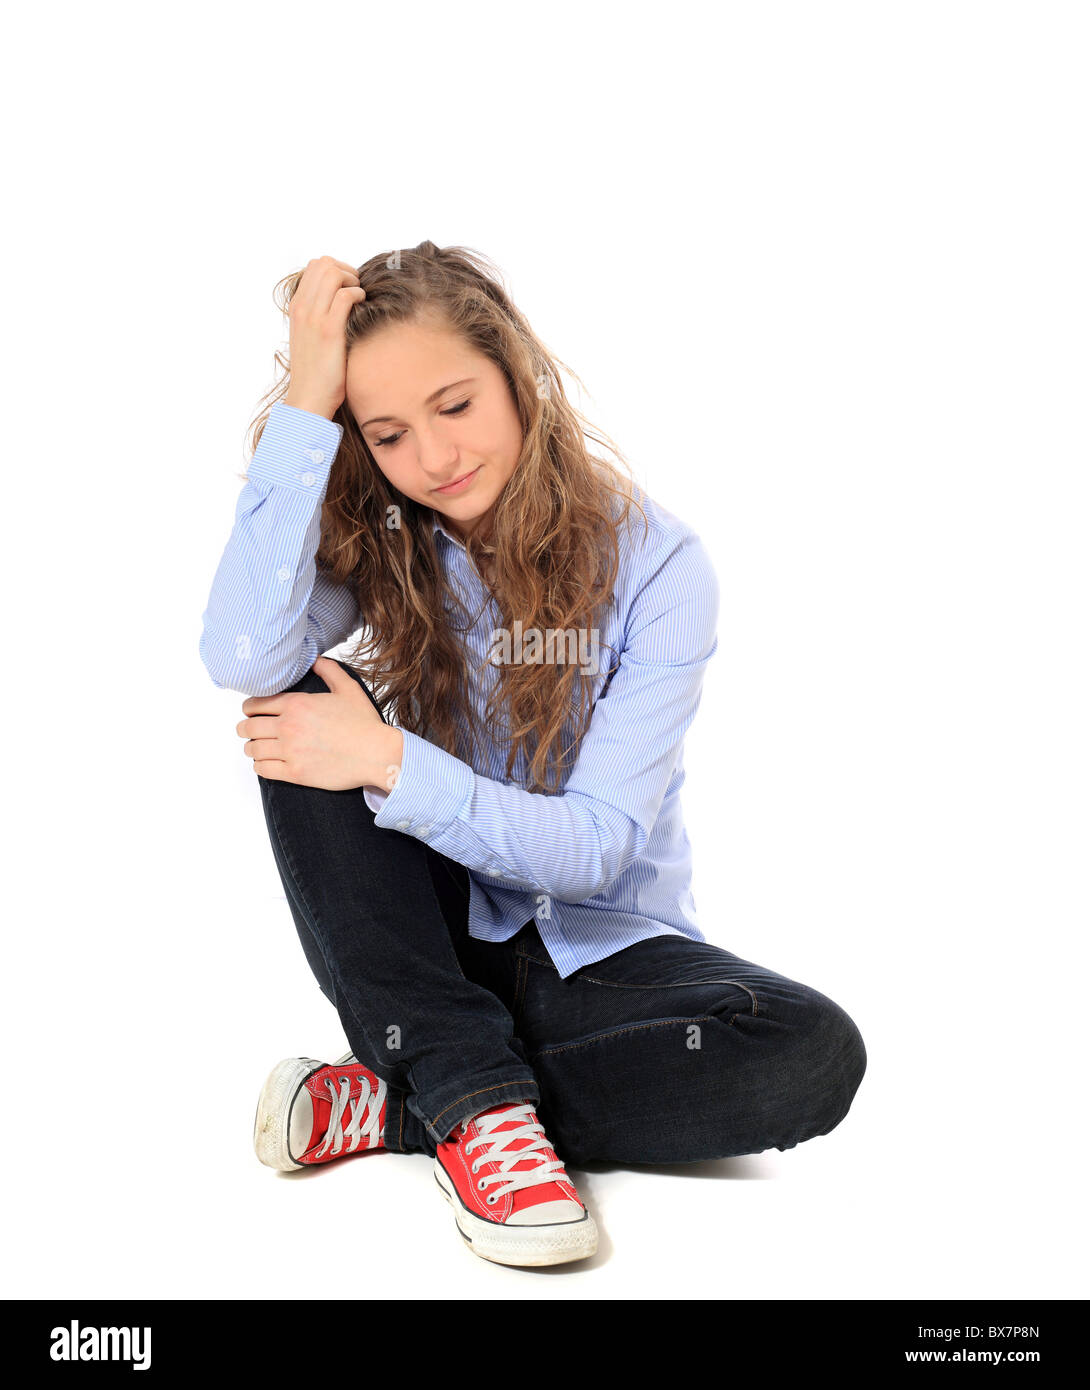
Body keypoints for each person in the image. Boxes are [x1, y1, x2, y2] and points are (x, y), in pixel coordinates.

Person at [198, 242, 867, 1269]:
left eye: (455, 405)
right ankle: (473, 1100)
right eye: (386, 432)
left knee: (809, 1052)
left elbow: (596, 850)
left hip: (599, 956)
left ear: (516, 376)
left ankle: (429, 1098)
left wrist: (389, 760)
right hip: (428, 942)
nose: (433, 457)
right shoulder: (389, 540)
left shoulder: (660, 568)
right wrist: (303, 398)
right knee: (295, 697)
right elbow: (243, 654)